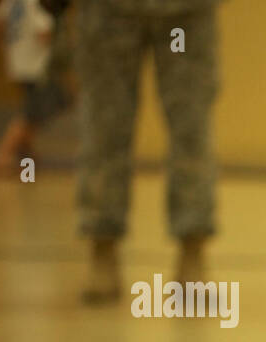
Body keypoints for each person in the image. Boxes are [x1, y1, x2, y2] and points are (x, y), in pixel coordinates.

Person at [75, 0, 220, 304]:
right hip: (107, 10)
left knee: (191, 127)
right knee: (104, 126)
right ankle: (102, 245)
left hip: (188, 10)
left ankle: (192, 247)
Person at [0, 0, 66, 176]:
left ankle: (26, 155)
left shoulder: (10, 3)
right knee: (33, 111)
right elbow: (44, 32)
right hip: (37, 66)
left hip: (17, 63)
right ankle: (2, 156)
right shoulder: (34, 3)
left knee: (33, 108)